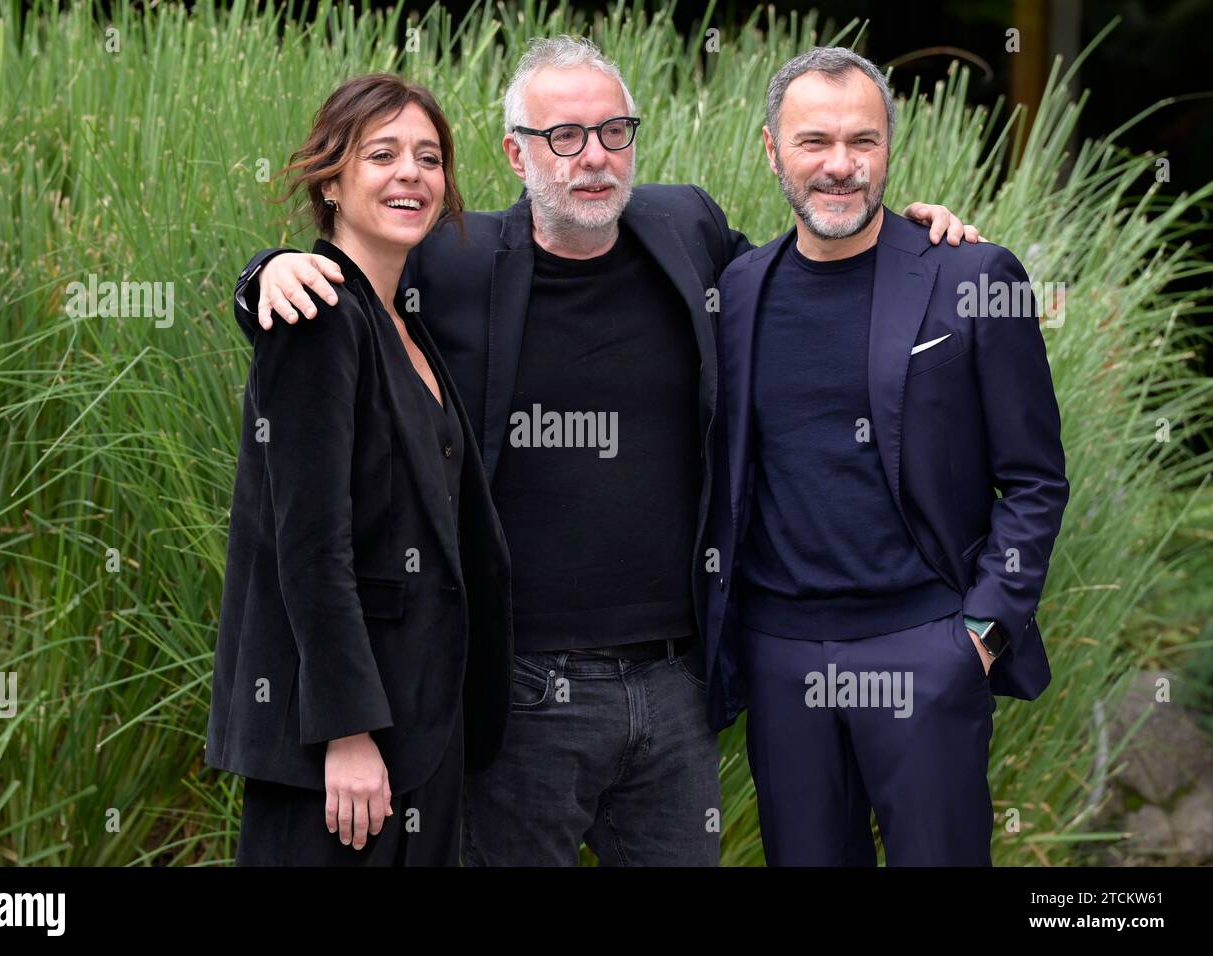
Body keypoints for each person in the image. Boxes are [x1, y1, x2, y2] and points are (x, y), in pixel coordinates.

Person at [232, 36, 979, 866]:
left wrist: (915, 239)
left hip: (674, 693)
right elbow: (343, 290)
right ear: (516, 153)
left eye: (613, 132)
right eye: (564, 136)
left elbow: (804, 272)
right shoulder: (452, 257)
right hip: (520, 696)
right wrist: (266, 273)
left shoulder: (686, 231)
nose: (593, 157)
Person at [703, 46, 1070, 865]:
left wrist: (980, 630)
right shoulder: (738, 292)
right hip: (782, 657)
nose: (841, 166)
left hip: (925, 648)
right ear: (771, 149)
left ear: (890, 149)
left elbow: (1035, 478)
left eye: (863, 141)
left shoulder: (971, 274)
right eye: (814, 142)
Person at [205, 73, 513, 866]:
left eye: (430, 156)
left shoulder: (403, 321)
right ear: (332, 180)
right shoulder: (316, 316)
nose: (411, 172)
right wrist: (347, 732)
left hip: (423, 728)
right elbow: (307, 543)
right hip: (342, 754)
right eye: (382, 154)